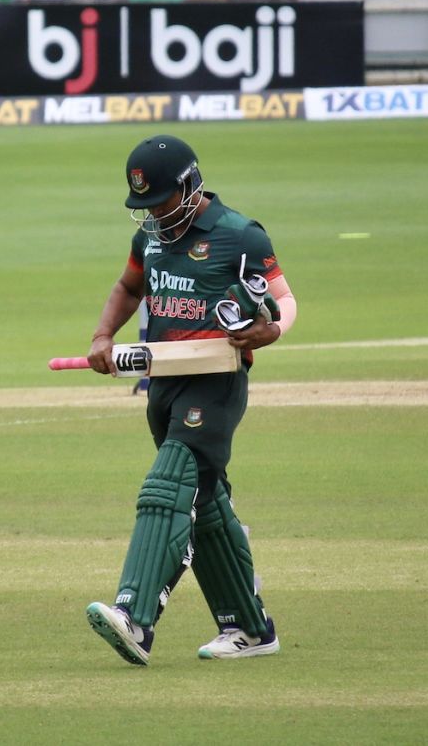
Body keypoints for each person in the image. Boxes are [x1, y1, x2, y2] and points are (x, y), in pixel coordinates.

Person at [82, 133, 297, 666]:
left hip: (216, 380)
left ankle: (133, 616)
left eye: (160, 200)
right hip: (164, 381)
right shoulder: (151, 237)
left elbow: (283, 298)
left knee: (167, 484)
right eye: (144, 205)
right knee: (203, 505)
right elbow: (129, 288)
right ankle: (249, 627)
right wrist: (103, 337)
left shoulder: (237, 233)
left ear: (190, 185)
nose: (153, 213)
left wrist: (272, 331)